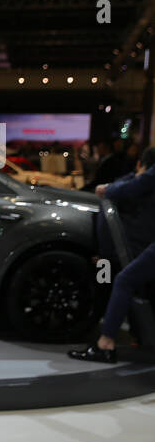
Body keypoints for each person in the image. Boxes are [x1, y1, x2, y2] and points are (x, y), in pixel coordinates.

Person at [69, 147, 155, 362]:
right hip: (124, 251)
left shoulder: (142, 184)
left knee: (121, 281)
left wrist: (108, 188)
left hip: (121, 253)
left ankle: (105, 343)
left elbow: (124, 187)